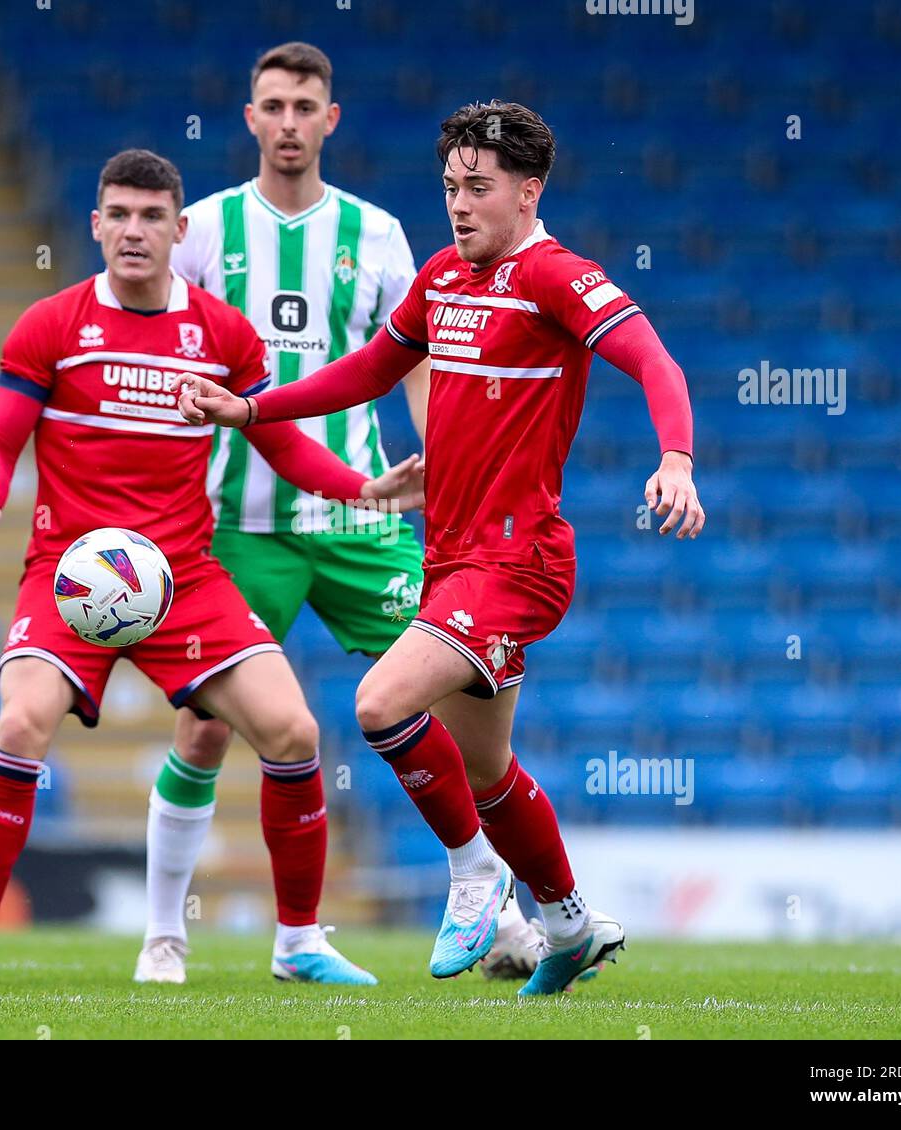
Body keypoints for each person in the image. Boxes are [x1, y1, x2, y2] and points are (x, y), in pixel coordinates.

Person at [179, 101, 706, 996]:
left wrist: (678, 458)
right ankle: (571, 923)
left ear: (529, 190)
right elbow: (368, 374)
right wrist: (251, 407)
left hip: (519, 562)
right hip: (452, 562)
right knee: (489, 769)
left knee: (380, 704)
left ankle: (470, 874)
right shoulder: (441, 279)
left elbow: (658, 363)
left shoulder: (557, 278)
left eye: (479, 187)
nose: (458, 204)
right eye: (450, 186)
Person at [0, 148, 423, 988]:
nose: (134, 231)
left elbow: (282, 443)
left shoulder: (222, 334)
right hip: (72, 577)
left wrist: (364, 489)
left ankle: (297, 942)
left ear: (179, 229)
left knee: (293, 732)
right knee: (18, 725)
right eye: (118, 215)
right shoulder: (52, 325)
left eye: (152, 217)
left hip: (182, 572)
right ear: (96, 225)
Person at [136, 41, 544, 985]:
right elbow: (164, 354)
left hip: (366, 518)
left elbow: (418, 365)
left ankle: (495, 900)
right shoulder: (200, 230)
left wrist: (446, 471)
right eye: (271, 105)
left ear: (331, 119)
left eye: (303, 106)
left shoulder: (381, 235)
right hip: (238, 525)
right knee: (203, 727)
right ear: (250, 118)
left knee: (451, 694)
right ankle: (165, 934)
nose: (287, 122)